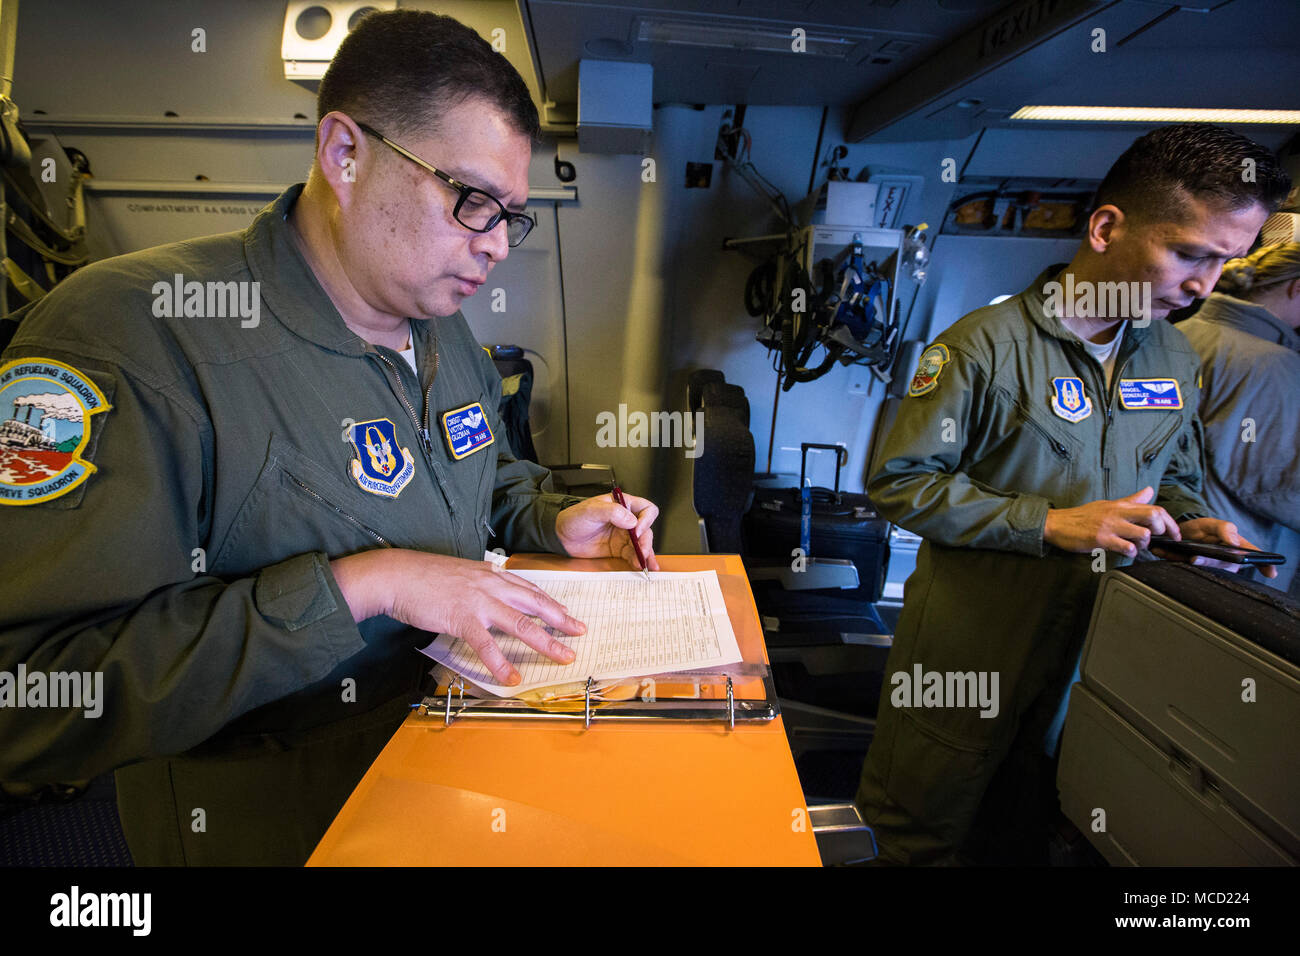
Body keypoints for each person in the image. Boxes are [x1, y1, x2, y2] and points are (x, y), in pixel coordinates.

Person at [0, 10, 659, 865]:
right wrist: (363, 587)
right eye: (471, 202)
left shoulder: (440, 329)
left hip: (446, 756)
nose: (496, 246)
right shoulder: (132, 334)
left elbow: (479, 481)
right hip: (265, 818)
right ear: (345, 153)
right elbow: (30, 701)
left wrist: (547, 517)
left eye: (510, 216)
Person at [855, 124, 1290, 866]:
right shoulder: (980, 347)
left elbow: (1176, 473)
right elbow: (900, 484)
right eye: (1189, 253)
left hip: (1095, 657)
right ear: (1106, 227)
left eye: (1224, 262)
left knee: (1031, 836)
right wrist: (1050, 523)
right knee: (915, 833)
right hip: (972, 650)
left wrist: (1195, 523)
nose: (1203, 287)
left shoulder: (1172, 354)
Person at [1177, 239, 1300, 597]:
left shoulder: (1182, 333)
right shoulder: (1275, 365)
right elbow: (1275, 479)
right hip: (1235, 554)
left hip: (1176, 535)